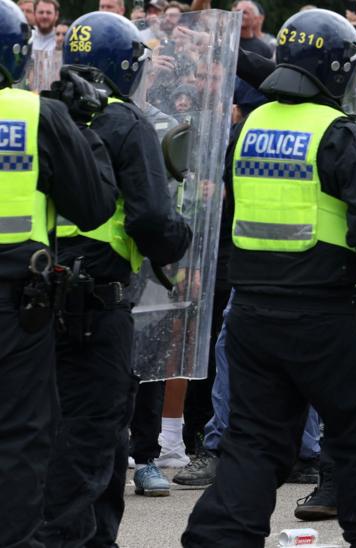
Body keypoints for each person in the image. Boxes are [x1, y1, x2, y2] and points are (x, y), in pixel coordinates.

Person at [181, 9, 356, 547]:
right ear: (334, 70)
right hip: (328, 315)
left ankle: (219, 540)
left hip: (252, 314)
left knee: (253, 443)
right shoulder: (342, 136)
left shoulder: (248, 127)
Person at [34, 11, 192, 547]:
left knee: (50, 431)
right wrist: (181, 239)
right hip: (97, 305)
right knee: (92, 437)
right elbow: (151, 219)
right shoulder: (127, 122)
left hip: (36, 298)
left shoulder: (48, 113)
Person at [0, 1, 117, 545]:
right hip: (14, 306)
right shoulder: (33, 115)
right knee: (19, 437)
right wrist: (83, 125)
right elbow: (94, 206)